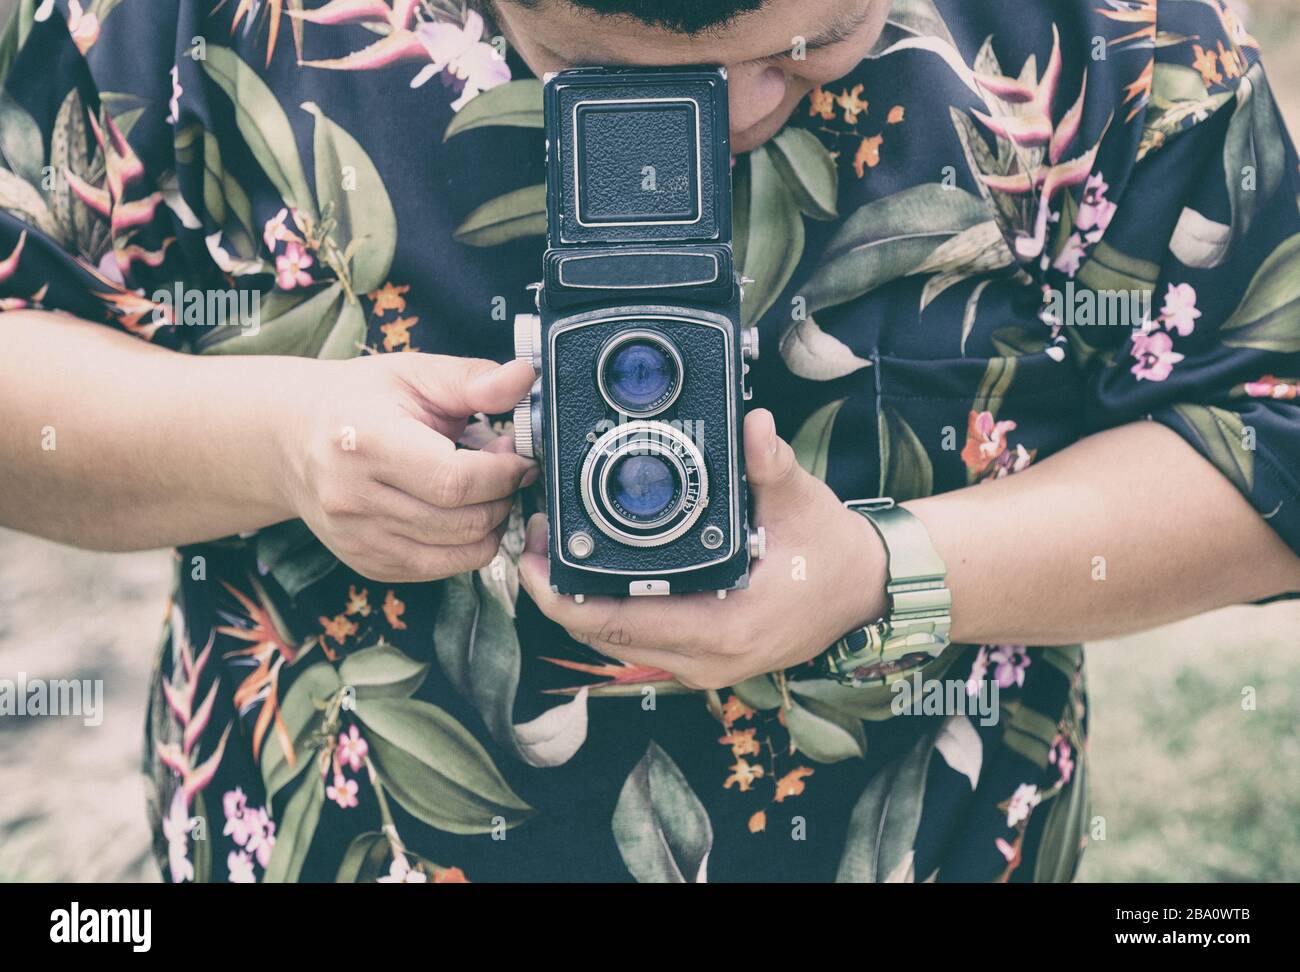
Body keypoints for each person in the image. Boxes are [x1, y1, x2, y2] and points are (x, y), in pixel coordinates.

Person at [1, 0, 1297, 883]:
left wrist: (886, 574)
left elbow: (1273, 434)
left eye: (818, 38)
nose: (730, 109)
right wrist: (277, 440)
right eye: (590, 58)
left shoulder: (1105, 23)